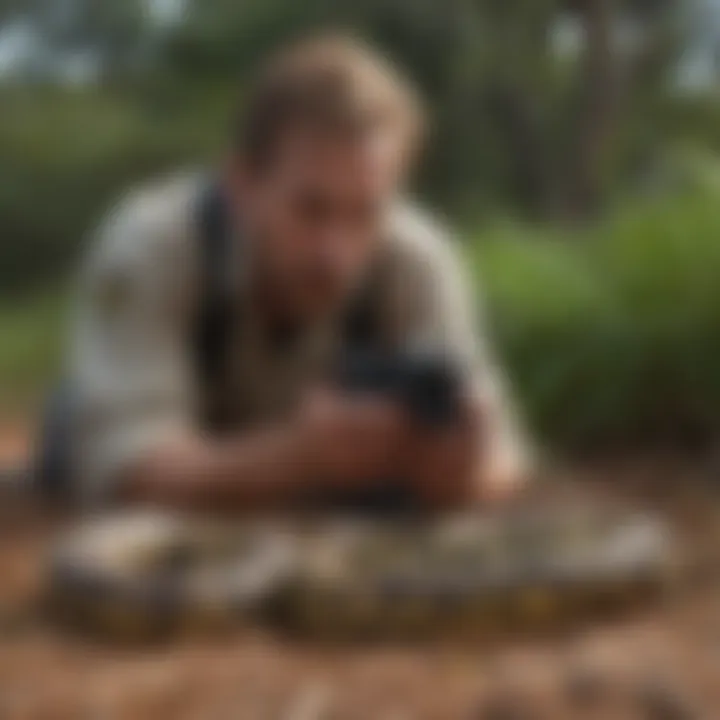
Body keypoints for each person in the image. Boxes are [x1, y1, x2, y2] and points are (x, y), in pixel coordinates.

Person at [64, 35, 530, 513]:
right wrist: (296, 459)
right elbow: (123, 468)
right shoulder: (151, 242)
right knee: (72, 435)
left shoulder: (417, 256)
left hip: (284, 471)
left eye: (365, 214)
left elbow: (505, 464)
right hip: (177, 436)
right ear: (241, 186)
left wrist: (461, 469)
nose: (336, 254)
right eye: (311, 211)